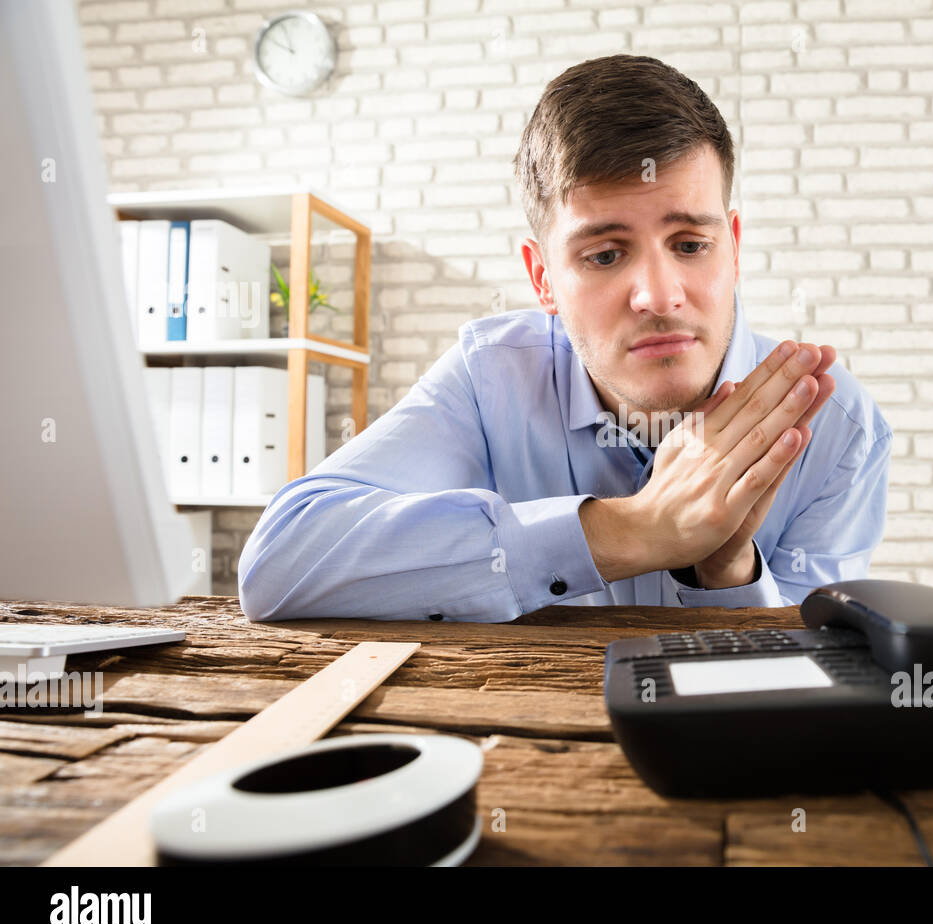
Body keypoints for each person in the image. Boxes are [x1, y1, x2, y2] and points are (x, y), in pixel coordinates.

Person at [238, 54, 892, 622]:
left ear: (734, 248)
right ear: (542, 277)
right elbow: (281, 564)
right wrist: (634, 531)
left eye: (691, 244)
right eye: (606, 255)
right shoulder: (489, 380)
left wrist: (724, 575)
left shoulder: (837, 428)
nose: (659, 295)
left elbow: (807, 679)